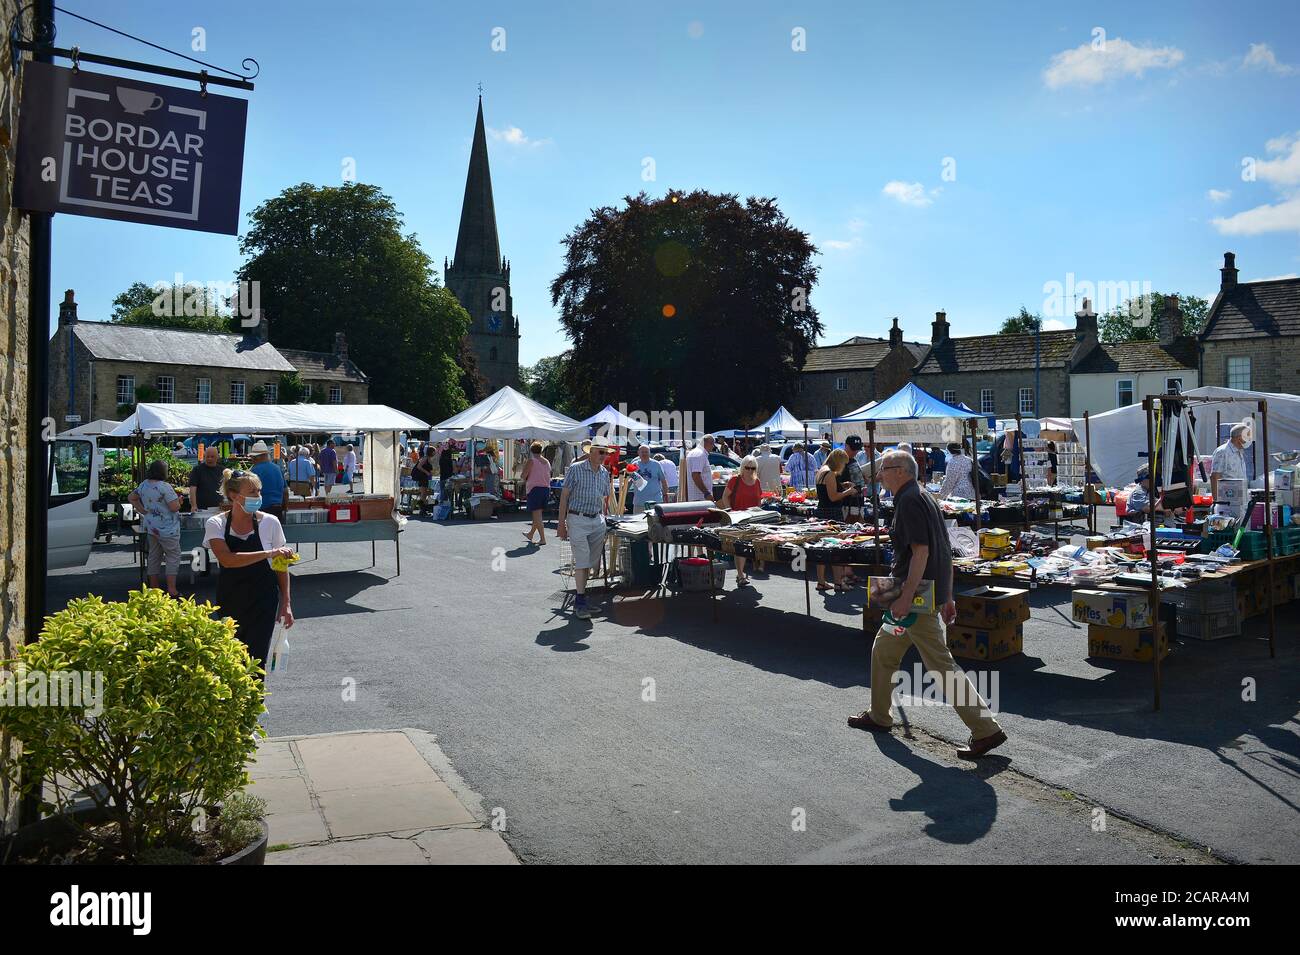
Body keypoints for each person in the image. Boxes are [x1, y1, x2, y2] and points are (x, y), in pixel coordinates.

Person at [847, 450, 1007, 760]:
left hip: (914, 598)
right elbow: (944, 550)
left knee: (941, 665)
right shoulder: (921, 496)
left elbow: (922, 552)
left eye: (883, 469)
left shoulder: (909, 500)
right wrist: (947, 596)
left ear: (900, 471)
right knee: (884, 651)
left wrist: (907, 598)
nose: (879, 475)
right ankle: (880, 715)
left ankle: (986, 730)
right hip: (916, 596)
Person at [204, 470, 296, 673]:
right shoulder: (216, 524)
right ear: (234, 496)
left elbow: (281, 566)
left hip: (263, 600)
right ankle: (236, 703)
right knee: (233, 657)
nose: (258, 497)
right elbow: (227, 560)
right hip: (230, 599)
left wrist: (286, 603)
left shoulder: (270, 522)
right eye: (252, 492)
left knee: (257, 658)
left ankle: (256, 703)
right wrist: (269, 553)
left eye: (259, 491)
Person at [558, 438, 613, 619]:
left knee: (590, 562)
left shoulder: (604, 473)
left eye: (605, 453)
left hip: (596, 520)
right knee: (582, 562)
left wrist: (606, 518)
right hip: (578, 519)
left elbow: (604, 498)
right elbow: (564, 497)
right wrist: (561, 524)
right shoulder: (576, 469)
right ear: (591, 452)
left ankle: (582, 600)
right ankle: (580, 602)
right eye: (600, 452)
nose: (604, 456)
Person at [130, 458, 182, 597]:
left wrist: (143, 511)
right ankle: (172, 590)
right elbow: (174, 507)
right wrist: (179, 501)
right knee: (173, 556)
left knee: (154, 556)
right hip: (167, 528)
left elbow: (131, 497)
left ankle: (154, 589)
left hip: (151, 527)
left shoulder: (144, 485)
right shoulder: (165, 487)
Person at [814, 448, 856, 592]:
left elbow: (826, 492)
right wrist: (848, 491)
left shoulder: (821, 471)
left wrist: (842, 486)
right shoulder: (830, 473)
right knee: (837, 548)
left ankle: (821, 582)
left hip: (822, 512)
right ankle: (838, 583)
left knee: (821, 548)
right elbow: (833, 497)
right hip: (831, 513)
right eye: (843, 463)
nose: (843, 466)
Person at [720, 455, 763, 586]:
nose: (750, 470)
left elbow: (759, 500)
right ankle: (740, 575)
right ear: (742, 467)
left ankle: (746, 571)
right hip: (737, 518)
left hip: (753, 518)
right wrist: (730, 511)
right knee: (740, 547)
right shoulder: (735, 480)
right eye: (747, 467)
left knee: (748, 546)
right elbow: (725, 497)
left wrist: (759, 512)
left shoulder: (757, 482)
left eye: (752, 468)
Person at [1210, 423, 1250, 520]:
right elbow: (1215, 476)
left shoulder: (1239, 452)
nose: (1249, 440)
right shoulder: (1223, 452)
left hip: (1240, 502)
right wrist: (1216, 502)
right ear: (1239, 437)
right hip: (1227, 503)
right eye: (1248, 436)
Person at [522, 441, 553, 545]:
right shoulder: (547, 461)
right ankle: (531, 534)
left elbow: (523, 475)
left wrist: (525, 475)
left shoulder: (532, 461)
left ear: (531, 450)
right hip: (545, 489)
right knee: (537, 515)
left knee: (537, 515)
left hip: (534, 489)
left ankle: (543, 539)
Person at [248, 441, 286, 521]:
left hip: (262, 510)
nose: (251, 459)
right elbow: (285, 491)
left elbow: (249, 493)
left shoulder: (254, 470)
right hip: (277, 509)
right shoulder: (277, 468)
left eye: (252, 457)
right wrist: (284, 507)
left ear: (257, 457)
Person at [629, 443, 669, 514]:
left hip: (655, 501)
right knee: (638, 523)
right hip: (639, 502)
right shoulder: (634, 465)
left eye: (646, 452)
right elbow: (630, 481)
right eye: (642, 452)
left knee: (655, 523)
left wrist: (665, 495)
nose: (644, 454)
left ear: (649, 453)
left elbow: (663, 481)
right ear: (638, 453)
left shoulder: (656, 464)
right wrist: (623, 490)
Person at [188, 446, 225, 511]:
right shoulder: (197, 470)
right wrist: (193, 505)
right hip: (202, 508)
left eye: (212, 457)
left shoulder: (223, 470)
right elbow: (192, 488)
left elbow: (228, 488)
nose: (209, 459)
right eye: (207, 456)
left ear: (217, 457)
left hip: (220, 507)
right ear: (204, 457)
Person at [684, 435, 715, 502]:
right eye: (712, 444)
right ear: (706, 443)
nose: (713, 447)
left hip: (696, 497)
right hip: (700, 498)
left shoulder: (694, 453)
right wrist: (706, 493)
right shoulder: (700, 454)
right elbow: (695, 475)